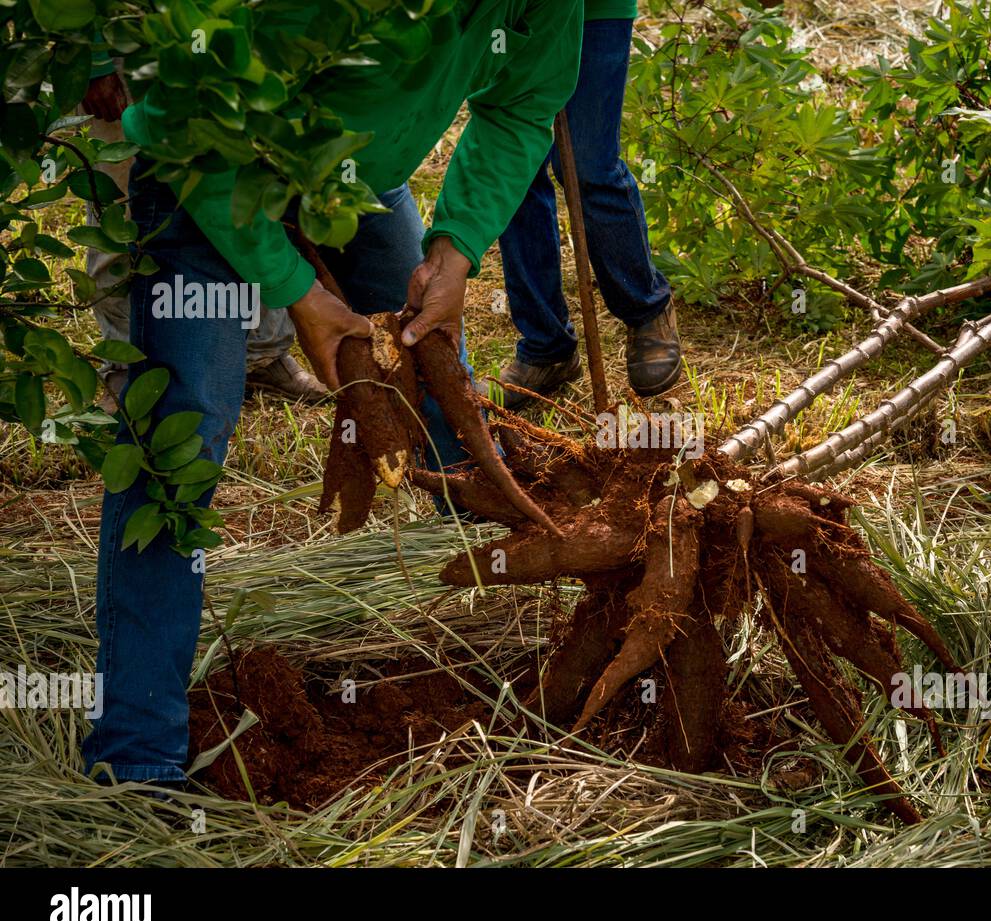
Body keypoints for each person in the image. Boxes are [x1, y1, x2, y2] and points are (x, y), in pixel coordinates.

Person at [81, 1, 583, 788]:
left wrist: (456, 249)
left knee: (439, 379)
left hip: (351, 182)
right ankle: (137, 751)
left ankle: (535, 604)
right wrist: (299, 296)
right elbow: (184, 123)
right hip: (203, 166)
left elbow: (522, 106)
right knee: (180, 434)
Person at [79, 68, 326, 409]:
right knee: (124, 208)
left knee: (254, 190)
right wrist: (97, 62)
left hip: (227, 59)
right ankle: (127, 366)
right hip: (129, 54)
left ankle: (263, 355)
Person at [494, 1, 681, 408]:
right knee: (513, 170)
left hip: (595, 9)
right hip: (507, 14)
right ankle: (547, 348)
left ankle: (645, 309)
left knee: (587, 164)